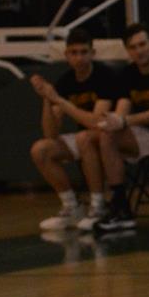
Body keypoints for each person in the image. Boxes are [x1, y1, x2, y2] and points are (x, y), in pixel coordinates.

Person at [78, 24, 149, 233]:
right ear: (128, 51)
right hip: (146, 135)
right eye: (133, 47)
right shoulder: (127, 74)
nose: (139, 50)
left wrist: (126, 121)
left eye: (143, 44)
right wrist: (114, 121)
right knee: (108, 135)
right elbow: (122, 112)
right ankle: (120, 204)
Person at [27, 30, 119, 231]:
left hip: (109, 138)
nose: (79, 58)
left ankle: (98, 206)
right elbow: (50, 133)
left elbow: (96, 122)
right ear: (66, 55)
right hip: (83, 139)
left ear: (93, 53)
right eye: (74, 52)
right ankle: (72, 207)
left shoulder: (105, 76)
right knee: (41, 149)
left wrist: (60, 100)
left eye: (84, 52)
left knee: (85, 136)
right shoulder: (66, 81)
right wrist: (47, 98)